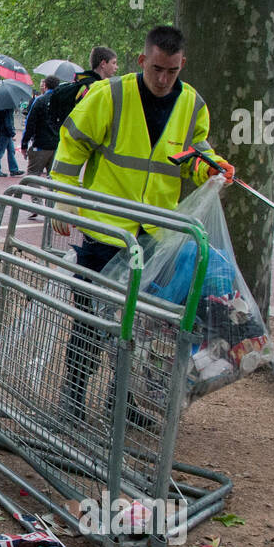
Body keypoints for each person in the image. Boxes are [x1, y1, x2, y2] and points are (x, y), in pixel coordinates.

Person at [52, 25, 232, 423]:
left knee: (139, 327)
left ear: (182, 64)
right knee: (91, 320)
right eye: (156, 70)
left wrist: (213, 169)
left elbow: (196, 154)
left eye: (172, 70)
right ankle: (73, 398)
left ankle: (122, 402)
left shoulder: (193, 104)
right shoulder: (110, 94)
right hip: (106, 231)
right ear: (141, 61)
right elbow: (72, 144)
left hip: (155, 234)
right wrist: (62, 198)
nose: (164, 79)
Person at [0, 102, 20, 177]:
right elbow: (8, 122)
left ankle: (13, 169)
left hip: (1, 130)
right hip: (5, 131)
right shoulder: (7, 107)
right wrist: (12, 132)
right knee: (0, 151)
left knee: (10, 150)